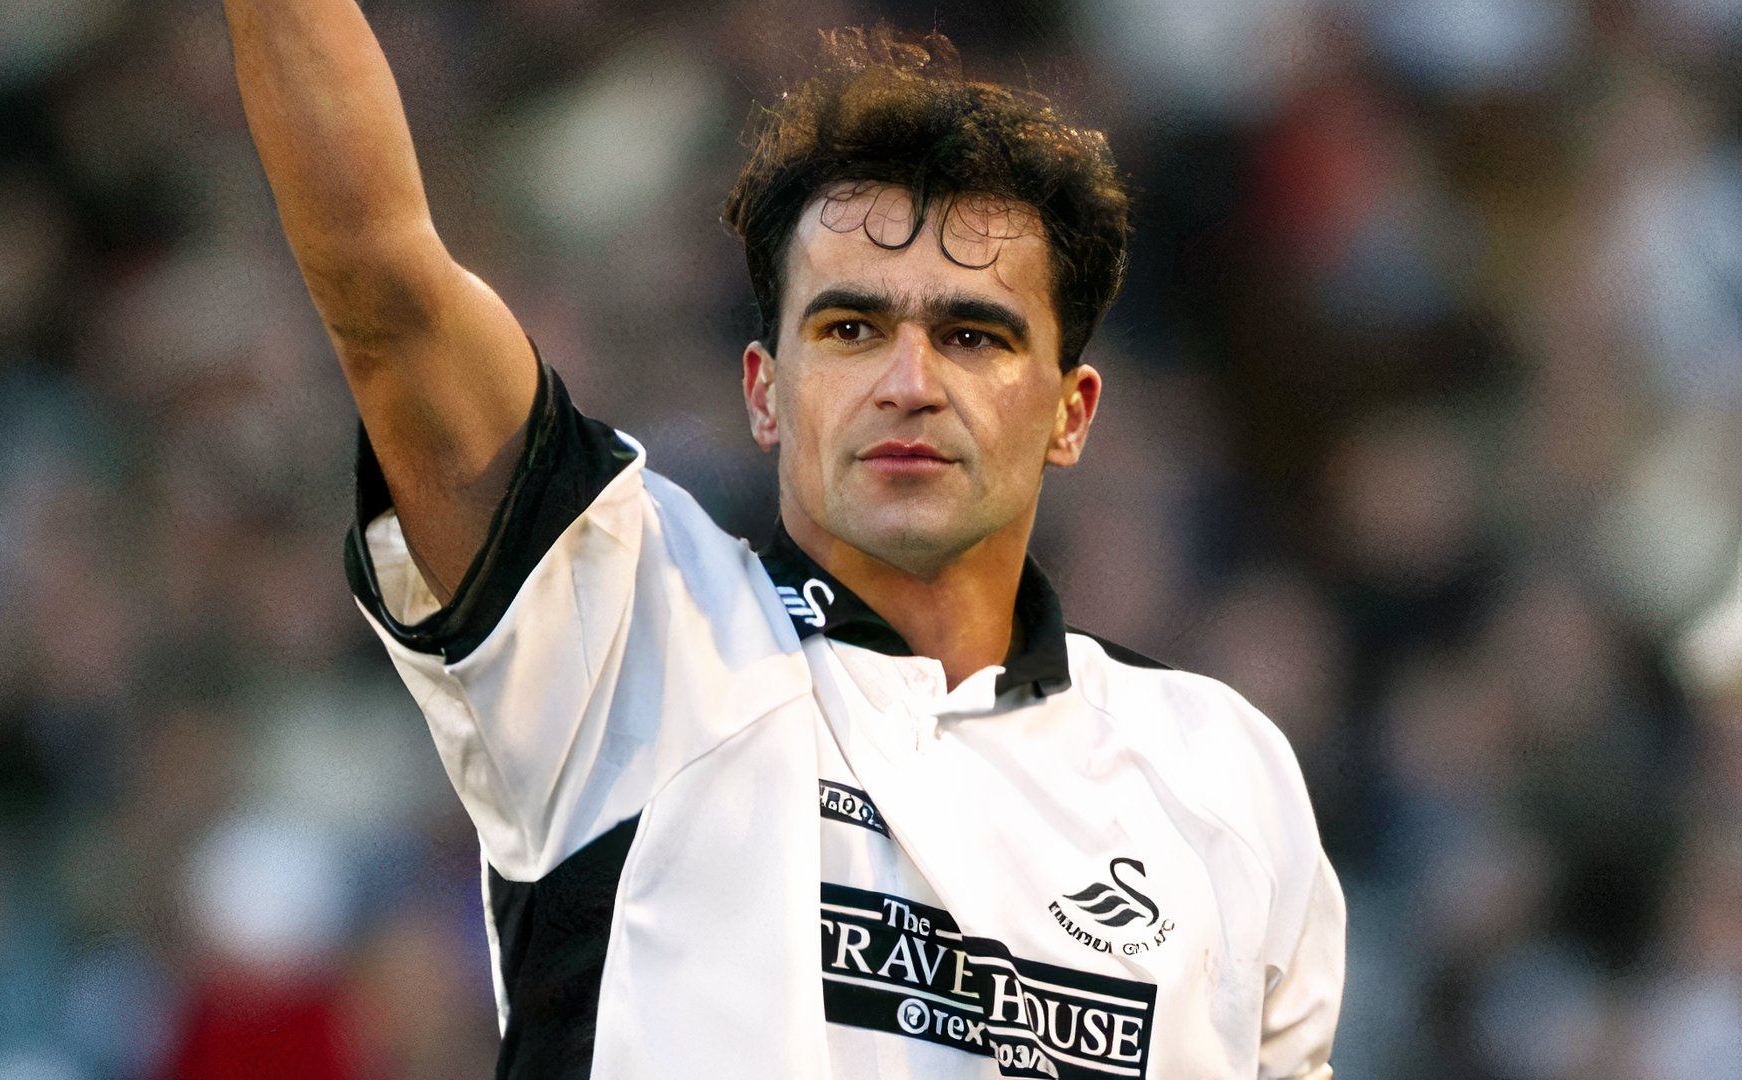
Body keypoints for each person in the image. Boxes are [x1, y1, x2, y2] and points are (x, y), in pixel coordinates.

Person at [224, 4, 1345, 1077]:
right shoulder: (626, 627)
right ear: (765, 391)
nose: (910, 383)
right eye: (852, 327)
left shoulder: (1223, 772)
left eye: (973, 335)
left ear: (1071, 412)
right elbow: (382, 282)